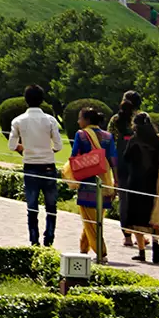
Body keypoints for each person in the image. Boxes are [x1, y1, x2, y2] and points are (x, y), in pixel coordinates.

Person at [8, 83, 63, 248]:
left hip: (30, 165)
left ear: (25, 100)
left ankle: (34, 239)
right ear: (42, 100)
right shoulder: (50, 120)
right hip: (48, 165)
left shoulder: (18, 121)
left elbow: (12, 145)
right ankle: (50, 236)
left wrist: (24, 149)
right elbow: (59, 146)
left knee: (32, 207)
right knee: (51, 205)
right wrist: (48, 150)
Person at [119, 111, 159, 263]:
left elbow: (126, 158)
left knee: (136, 218)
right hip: (152, 182)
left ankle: (142, 251)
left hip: (136, 182)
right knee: (153, 215)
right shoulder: (158, 140)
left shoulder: (134, 140)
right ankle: (156, 245)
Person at [65, 104, 115, 263]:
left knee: (90, 222)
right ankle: (83, 248)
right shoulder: (108, 136)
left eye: (80, 118)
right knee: (95, 220)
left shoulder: (81, 135)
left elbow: (74, 157)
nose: (78, 121)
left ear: (86, 120)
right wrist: (117, 183)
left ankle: (101, 252)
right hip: (105, 183)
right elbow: (114, 160)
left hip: (87, 182)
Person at [108, 90, 144, 250]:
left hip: (121, 164)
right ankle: (140, 236)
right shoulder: (142, 118)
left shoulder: (115, 120)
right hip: (139, 164)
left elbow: (110, 141)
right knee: (139, 200)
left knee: (124, 200)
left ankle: (127, 236)